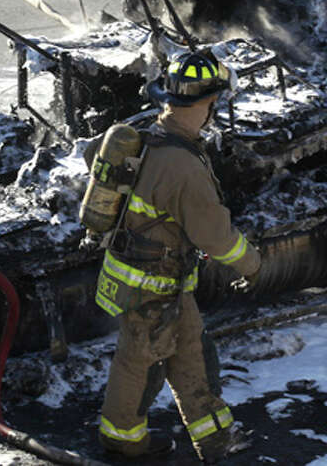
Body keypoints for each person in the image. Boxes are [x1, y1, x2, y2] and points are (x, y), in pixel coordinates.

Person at [93, 48, 262, 463]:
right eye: (214, 102)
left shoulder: (149, 139)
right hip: (151, 287)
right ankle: (121, 440)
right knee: (138, 363)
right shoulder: (182, 165)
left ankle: (215, 438)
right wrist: (252, 265)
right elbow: (216, 237)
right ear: (207, 103)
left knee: (191, 352)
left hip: (149, 279)